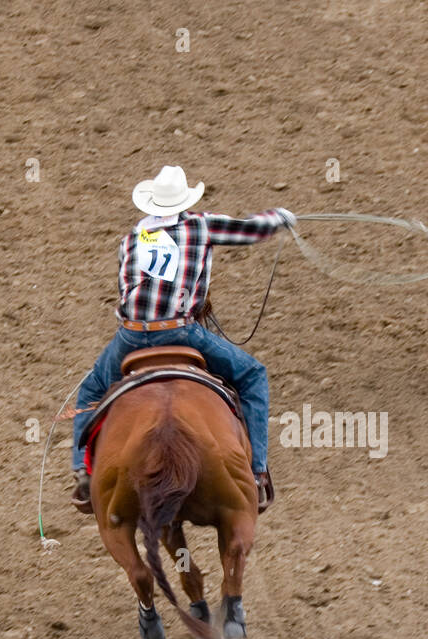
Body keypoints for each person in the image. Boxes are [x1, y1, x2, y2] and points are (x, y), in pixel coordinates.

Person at [70, 165, 295, 515]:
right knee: (253, 376)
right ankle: (256, 472)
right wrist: (280, 217)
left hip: (131, 336)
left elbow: (127, 288)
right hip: (179, 330)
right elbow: (250, 229)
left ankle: (83, 472)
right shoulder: (200, 225)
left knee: (90, 389)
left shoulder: (131, 238)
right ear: (185, 201)